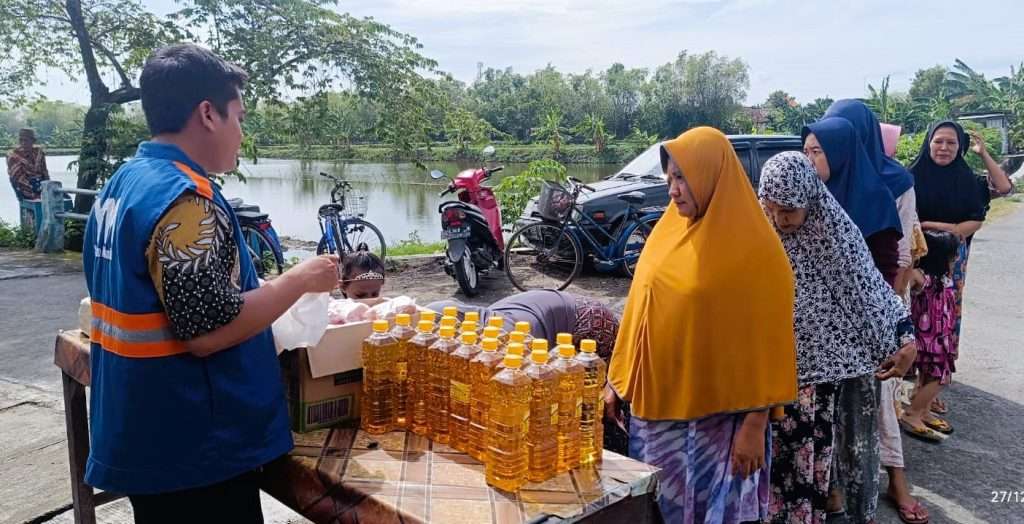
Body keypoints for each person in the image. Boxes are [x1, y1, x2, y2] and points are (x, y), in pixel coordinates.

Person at [82, 44, 340, 524]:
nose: (242, 133)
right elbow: (208, 332)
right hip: (192, 443)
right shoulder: (185, 200)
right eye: (239, 117)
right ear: (207, 114)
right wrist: (301, 279)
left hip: (145, 424)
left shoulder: (126, 181)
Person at [606, 127, 798, 523]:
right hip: (660, 413)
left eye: (682, 178)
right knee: (661, 507)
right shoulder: (667, 231)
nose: (673, 190)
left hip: (721, 423)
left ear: (712, 175)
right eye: (670, 178)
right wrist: (617, 380)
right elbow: (641, 309)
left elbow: (771, 342)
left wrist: (755, 423)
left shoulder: (758, 250)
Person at [759, 152, 919, 524]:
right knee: (775, 467)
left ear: (809, 202)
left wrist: (904, 335)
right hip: (772, 368)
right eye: (771, 209)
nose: (779, 220)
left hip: (821, 378)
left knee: (812, 464)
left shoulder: (834, 233)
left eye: (789, 212)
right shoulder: (757, 230)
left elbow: (869, 287)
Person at [827, 103, 929, 523]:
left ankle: (896, 481)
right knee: (833, 405)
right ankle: (833, 487)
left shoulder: (895, 181)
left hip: (882, 303)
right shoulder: (826, 178)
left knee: (880, 398)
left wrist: (886, 321)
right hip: (832, 311)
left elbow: (902, 254)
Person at [427, 290, 626, 452]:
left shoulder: (509, 347)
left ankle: (618, 450)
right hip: (553, 306)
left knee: (590, 404)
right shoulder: (446, 317)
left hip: (591, 324)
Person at [910, 120, 993, 417]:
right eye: (938, 141)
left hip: (950, 265)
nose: (943, 148)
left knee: (941, 326)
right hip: (914, 265)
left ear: (959, 148)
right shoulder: (910, 177)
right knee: (913, 328)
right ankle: (916, 395)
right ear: (928, 143)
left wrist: (940, 226)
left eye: (951, 143)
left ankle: (927, 392)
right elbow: (904, 221)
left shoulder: (967, 180)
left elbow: (975, 220)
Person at [802, 117, 902, 285]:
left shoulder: (875, 200)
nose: (808, 160)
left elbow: (886, 269)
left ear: (839, 153)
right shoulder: (809, 196)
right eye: (806, 152)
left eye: (816, 151)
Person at [901, 231, 961, 441]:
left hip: (941, 340)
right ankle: (912, 413)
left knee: (928, 376)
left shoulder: (944, 280)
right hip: (927, 340)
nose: (955, 261)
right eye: (952, 257)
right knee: (940, 378)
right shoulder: (921, 277)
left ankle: (923, 410)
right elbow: (904, 276)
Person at [6, 128, 50, 231]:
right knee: (38, 201)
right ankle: (34, 232)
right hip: (22, 186)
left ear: (33, 141)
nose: (23, 143)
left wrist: (48, 188)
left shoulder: (39, 153)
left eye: (26, 140)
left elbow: (44, 172)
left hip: (40, 184)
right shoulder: (13, 156)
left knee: (61, 197)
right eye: (21, 140)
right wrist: (33, 193)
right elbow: (17, 178)